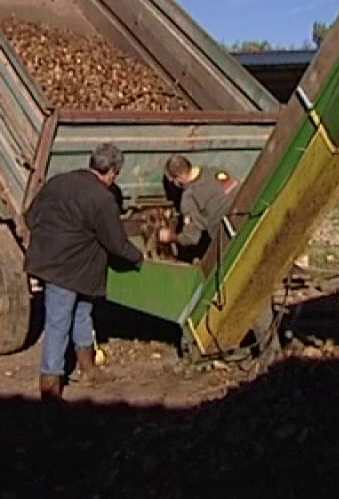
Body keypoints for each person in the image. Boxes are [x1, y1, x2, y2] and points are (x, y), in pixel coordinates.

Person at [24, 142, 143, 401]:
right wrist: (139, 258)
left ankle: (88, 368)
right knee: (58, 321)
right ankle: (50, 385)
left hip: (53, 262)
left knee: (82, 312)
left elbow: (30, 217)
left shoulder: (57, 182)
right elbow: (116, 242)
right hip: (67, 269)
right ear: (112, 172)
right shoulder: (102, 199)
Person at [157, 154, 280, 353]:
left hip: (233, 242)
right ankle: (267, 341)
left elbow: (192, 238)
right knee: (262, 286)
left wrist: (170, 236)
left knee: (248, 292)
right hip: (254, 227)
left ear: (177, 180)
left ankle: (270, 352)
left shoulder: (189, 198)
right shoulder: (216, 172)